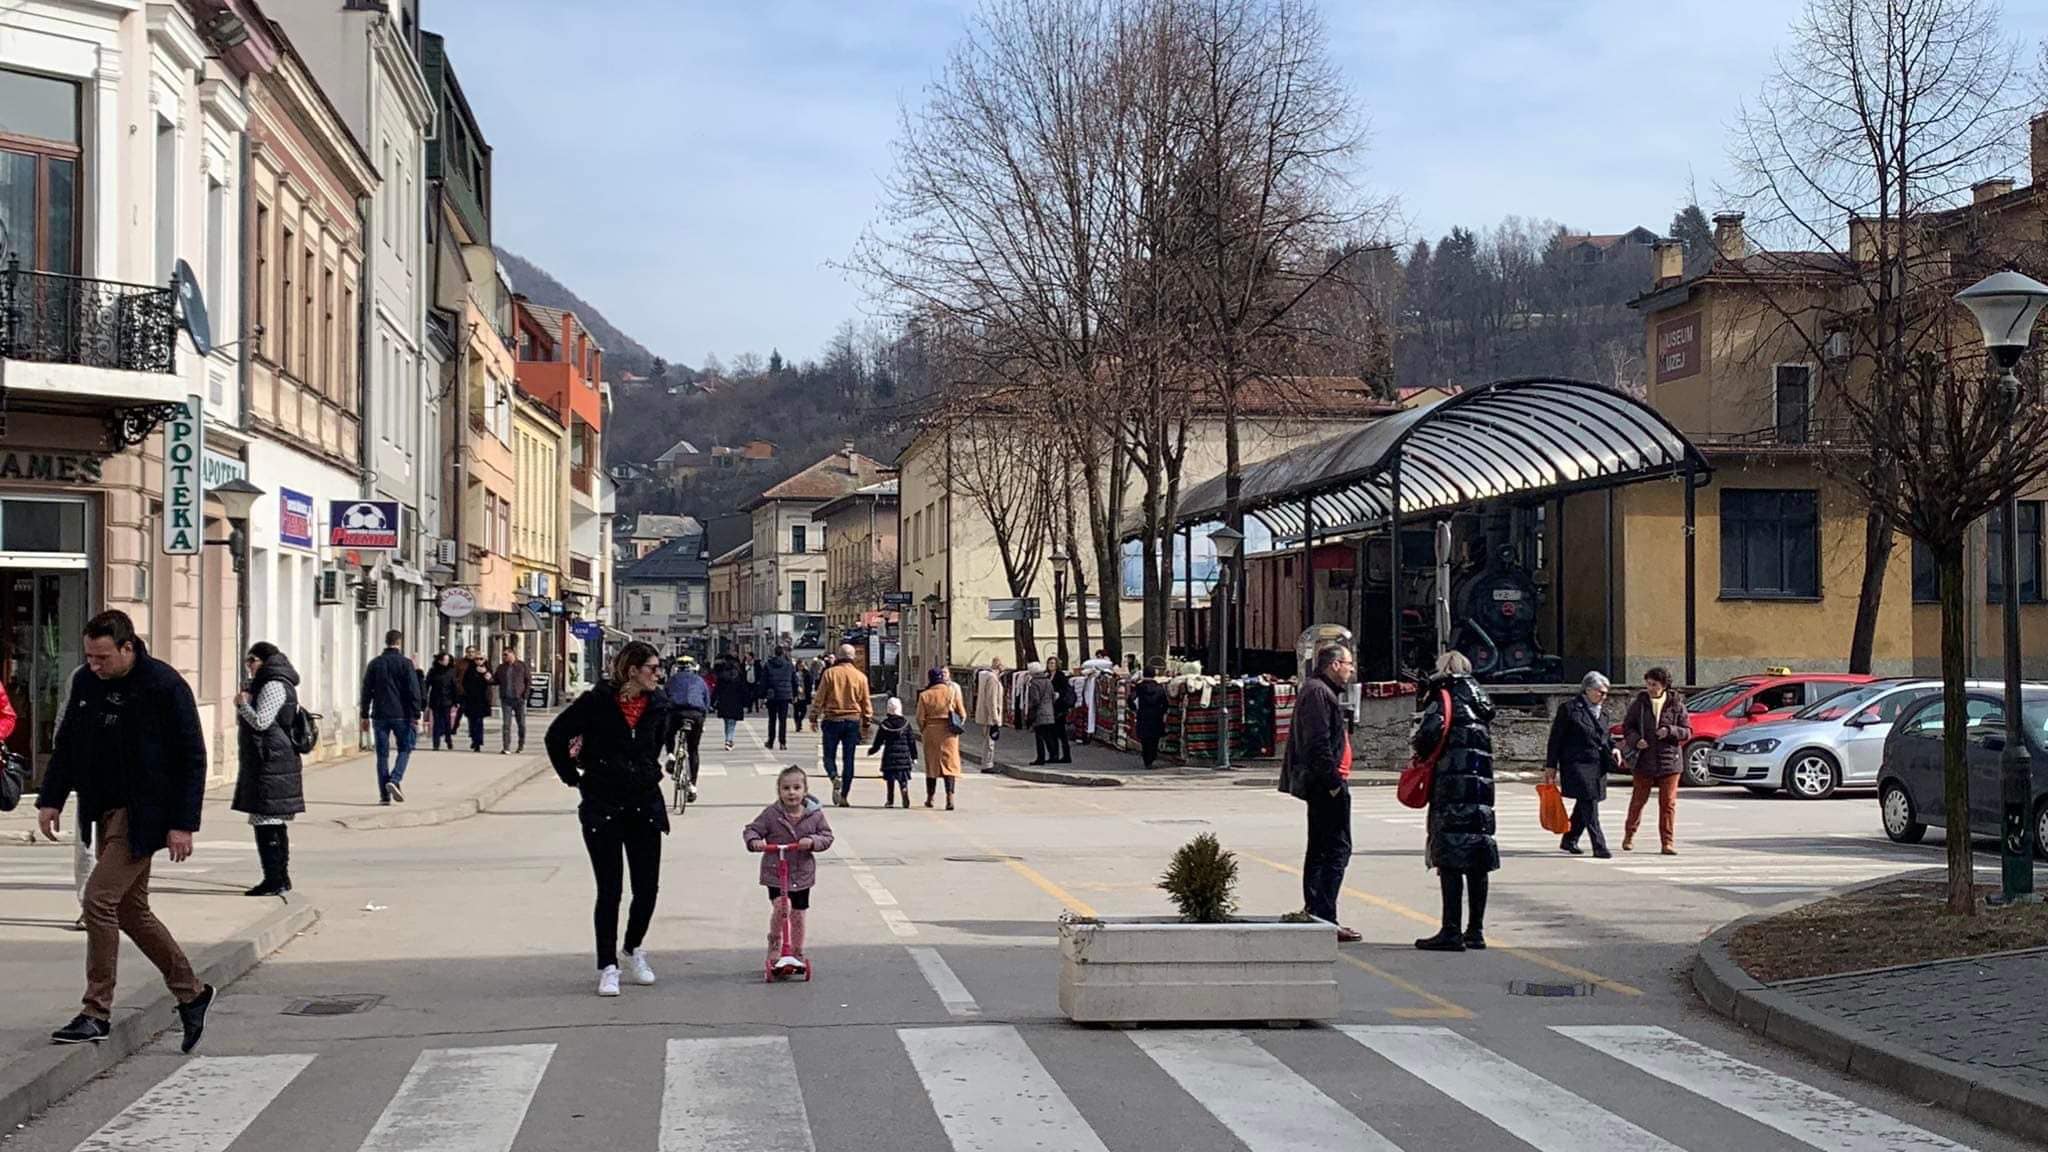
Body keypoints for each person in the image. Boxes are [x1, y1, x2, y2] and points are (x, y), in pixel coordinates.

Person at [35, 610, 214, 1049]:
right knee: (132, 911)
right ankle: (191, 993)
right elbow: (68, 745)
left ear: (127, 647)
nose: (94, 665)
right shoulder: (85, 683)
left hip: (145, 813)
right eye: (90, 657)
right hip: (103, 808)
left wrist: (182, 824)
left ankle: (96, 1010)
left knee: (98, 899)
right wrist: (51, 798)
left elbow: (192, 758)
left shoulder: (163, 686)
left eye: (102, 657)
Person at [546, 641, 673, 997]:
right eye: (652, 667)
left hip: (645, 804)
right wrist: (575, 779)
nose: (658, 674)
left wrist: (650, 770)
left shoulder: (659, 704)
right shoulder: (596, 702)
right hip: (603, 805)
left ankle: (633, 948)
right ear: (632, 670)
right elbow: (556, 736)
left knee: (647, 888)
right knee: (610, 890)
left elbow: (658, 745)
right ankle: (608, 965)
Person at [1412, 651, 1500, 952]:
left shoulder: (1444, 696)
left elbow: (1427, 736)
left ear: (1444, 669)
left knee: (1449, 860)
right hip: (1480, 791)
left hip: (1451, 787)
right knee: (1477, 860)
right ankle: (1475, 931)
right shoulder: (1479, 699)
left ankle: (1450, 930)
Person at [1277, 644, 1361, 943]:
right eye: (1348, 663)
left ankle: (1319, 914)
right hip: (1326, 785)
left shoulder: (1320, 691)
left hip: (1327, 782)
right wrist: (1334, 782)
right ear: (1335, 664)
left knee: (1325, 849)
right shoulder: (1317, 693)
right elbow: (1317, 744)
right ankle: (1324, 917)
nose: (1352, 669)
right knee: (1334, 851)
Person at [744, 765, 833, 973]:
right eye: (786, 788)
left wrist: (811, 841)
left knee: (798, 914)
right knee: (782, 906)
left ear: (804, 790)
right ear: (779, 791)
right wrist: (755, 841)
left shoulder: (814, 815)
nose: (791, 792)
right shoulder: (771, 814)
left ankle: (797, 950)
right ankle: (775, 945)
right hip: (776, 873)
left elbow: (827, 837)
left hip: (802, 874)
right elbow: (752, 830)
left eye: (796, 788)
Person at [233, 643, 306, 898]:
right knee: (269, 820)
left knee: (267, 820)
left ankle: (274, 879)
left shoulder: (274, 684)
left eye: (252, 660)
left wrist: (242, 705)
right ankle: (278, 877)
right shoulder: (269, 682)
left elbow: (262, 721)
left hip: (273, 761)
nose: (249, 666)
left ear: (265, 661)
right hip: (270, 760)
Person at [1547, 671, 1621, 858]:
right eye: (1600, 692)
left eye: (1606, 693)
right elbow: (1556, 738)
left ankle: (1570, 839)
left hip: (1597, 765)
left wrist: (1614, 748)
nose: (1604, 696)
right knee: (1589, 802)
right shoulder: (1570, 709)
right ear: (1587, 690)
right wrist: (1550, 766)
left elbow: (1605, 737)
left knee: (1585, 802)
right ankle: (1599, 846)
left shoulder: (1603, 713)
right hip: (1576, 763)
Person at [1622, 667, 1690, 855]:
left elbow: (1687, 731)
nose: (1650, 688)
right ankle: (1629, 835)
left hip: (1670, 761)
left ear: (1664, 685)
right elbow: (1627, 728)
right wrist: (1636, 740)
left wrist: (1669, 731)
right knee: (1638, 801)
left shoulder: (1676, 704)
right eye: (1648, 684)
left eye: (1654, 684)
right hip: (1645, 760)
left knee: (1668, 803)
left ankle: (1667, 842)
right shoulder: (1640, 704)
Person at [360, 630, 422, 802]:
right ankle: (395, 779)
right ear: (399, 643)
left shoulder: (375, 664)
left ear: (386, 642)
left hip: (379, 715)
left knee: (382, 755)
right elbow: (413, 690)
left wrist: (364, 714)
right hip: (402, 714)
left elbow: (366, 690)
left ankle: (384, 796)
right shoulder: (405, 664)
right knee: (405, 748)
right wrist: (416, 713)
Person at [810, 644, 872, 806]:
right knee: (848, 759)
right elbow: (866, 702)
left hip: (832, 719)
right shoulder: (860, 677)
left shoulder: (830, 674)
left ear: (838, 656)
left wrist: (813, 715)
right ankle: (844, 795)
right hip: (852, 721)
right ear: (852, 658)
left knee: (828, 756)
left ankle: (833, 775)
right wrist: (866, 721)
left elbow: (820, 696)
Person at [916, 667, 964, 810]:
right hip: (949, 733)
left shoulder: (925, 695)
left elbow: (919, 718)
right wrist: (956, 726)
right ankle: (950, 798)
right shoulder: (951, 693)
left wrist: (924, 729)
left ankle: (930, 798)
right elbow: (962, 713)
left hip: (931, 732)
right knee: (949, 766)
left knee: (931, 766)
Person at [665, 655, 711, 802]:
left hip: (676, 713)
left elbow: (664, 698)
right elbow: (707, 701)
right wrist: (703, 721)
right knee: (693, 750)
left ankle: (671, 755)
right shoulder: (700, 681)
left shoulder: (672, 680)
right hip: (695, 715)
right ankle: (692, 786)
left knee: (669, 733)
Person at [867, 697, 918, 808]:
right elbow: (911, 741)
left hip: (889, 756)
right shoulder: (906, 724)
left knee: (890, 780)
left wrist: (872, 751)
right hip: (903, 757)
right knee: (902, 778)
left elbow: (878, 741)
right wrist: (914, 756)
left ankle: (890, 800)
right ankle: (904, 790)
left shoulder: (885, 724)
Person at [1132, 658, 1171, 769]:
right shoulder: (1159, 688)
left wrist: (1134, 708)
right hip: (1156, 716)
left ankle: (1147, 760)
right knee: (1154, 739)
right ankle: (1152, 758)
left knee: (1145, 740)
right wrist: (1162, 712)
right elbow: (1165, 703)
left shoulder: (1139, 687)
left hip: (1143, 715)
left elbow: (1130, 698)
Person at [497, 640, 532, 755]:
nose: (504, 657)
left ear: (512, 654)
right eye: (503, 655)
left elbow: (528, 680)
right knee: (506, 724)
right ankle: (506, 747)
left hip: (519, 699)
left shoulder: (521, 665)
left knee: (521, 723)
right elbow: (496, 680)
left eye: (506, 655)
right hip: (506, 699)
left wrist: (525, 695)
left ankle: (521, 745)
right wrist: (486, 677)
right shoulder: (502, 667)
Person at [973, 657, 1006, 773]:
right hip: (989, 716)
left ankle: (986, 763)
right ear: (999, 668)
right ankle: (987, 765)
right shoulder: (992, 679)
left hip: (985, 714)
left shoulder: (985, 677)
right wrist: (995, 718)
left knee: (987, 740)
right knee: (990, 741)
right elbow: (991, 700)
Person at [459, 646, 494, 753]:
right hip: (471, 699)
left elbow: (491, 681)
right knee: (472, 720)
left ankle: (478, 742)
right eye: (476, 659)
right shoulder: (470, 669)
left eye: (481, 659)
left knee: (479, 721)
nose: (478, 661)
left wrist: (484, 673)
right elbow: (464, 682)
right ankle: (474, 738)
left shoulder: (487, 668)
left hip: (482, 699)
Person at [763, 645, 798, 751]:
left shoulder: (768, 664)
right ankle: (782, 743)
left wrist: (762, 695)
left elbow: (764, 681)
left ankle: (770, 741)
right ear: (783, 653)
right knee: (783, 720)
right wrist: (795, 694)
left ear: (774, 653)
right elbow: (794, 680)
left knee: (772, 719)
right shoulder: (789, 665)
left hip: (772, 695)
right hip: (785, 695)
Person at [712, 653, 750, 751]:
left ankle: (728, 739)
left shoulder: (721, 674)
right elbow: (744, 689)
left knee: (727, 721)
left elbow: (717, 689)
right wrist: (747, 702)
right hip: (736, 701)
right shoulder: (739, 674)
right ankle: (729, 740)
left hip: (724, 701)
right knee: (732, 723)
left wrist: (712, 702)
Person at [425, 652, 459, 751]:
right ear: (440, 661)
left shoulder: (451, 671)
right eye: (445, 660)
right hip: (435, 699)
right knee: (436, 722)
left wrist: (456, 700)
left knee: (447, 721)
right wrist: (424, 697)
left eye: (448, 660)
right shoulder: (433, 671)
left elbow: (454, 686)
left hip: (447, 700)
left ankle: (448, 739)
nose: (447, 662)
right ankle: (436, 743)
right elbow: (427, 684)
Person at [1025, 662, 1057, 765]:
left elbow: (1035, 700)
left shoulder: (1034, 683)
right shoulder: (1048, 681)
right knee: (1048, 736)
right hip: (1049, 712)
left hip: (1040, 713)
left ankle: (1041, 758)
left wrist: (1030, 712)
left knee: (1039, 737)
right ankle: (1053, 755)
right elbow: (1053, 695)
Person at [1049, 658, 1075, 763]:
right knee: (1053, 733)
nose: (1050, 665)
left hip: (1060, 708)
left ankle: (1066, 755)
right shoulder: (1048, 676)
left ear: (1057, 665)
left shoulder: (1060, 676)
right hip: (1052, 707)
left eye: (1053, 663)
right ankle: (1054, 755)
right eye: (1049, 663)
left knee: (1061, 733)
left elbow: (1064, 691)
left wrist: (1058, 694)